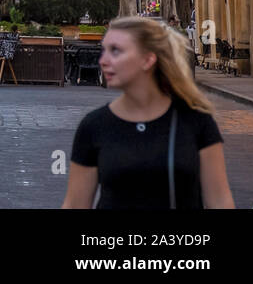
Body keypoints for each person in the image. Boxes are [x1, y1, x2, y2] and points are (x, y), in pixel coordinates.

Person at [62, 17, 235, 210]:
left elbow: (220, 201)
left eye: (115, 51)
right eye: (104, 50)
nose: (103, 61)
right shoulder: (94, 126)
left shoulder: (196, 122)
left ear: (147, 59)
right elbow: (75, 204)